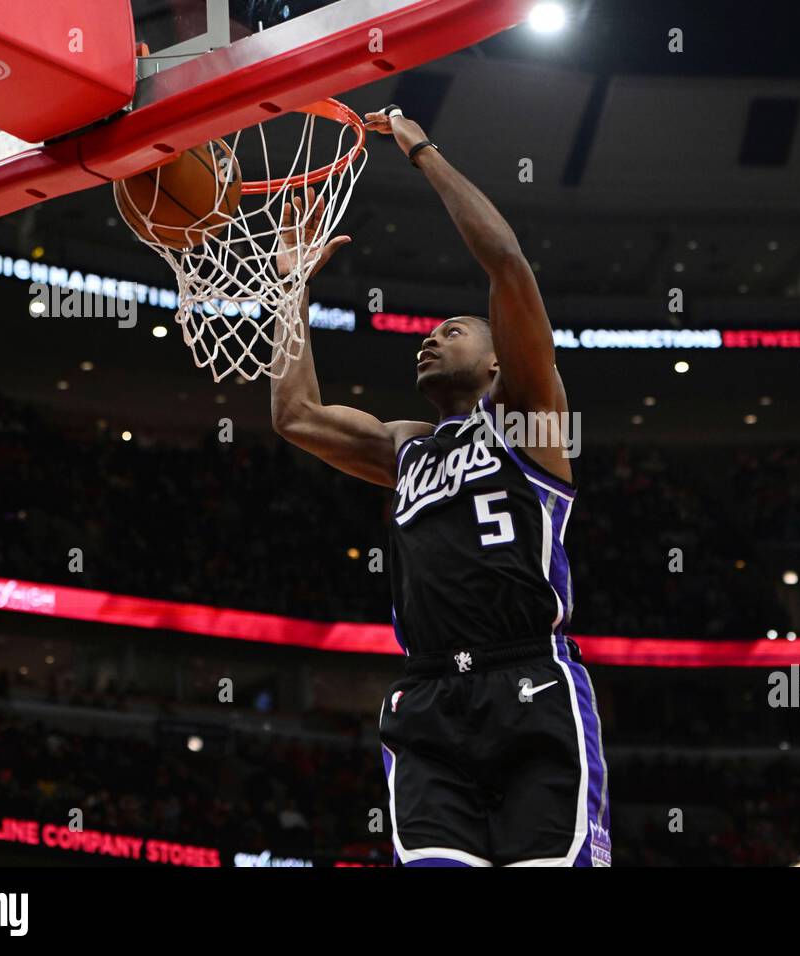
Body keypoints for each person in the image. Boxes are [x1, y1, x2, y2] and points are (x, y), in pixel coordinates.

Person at [270, 105, 609, 867]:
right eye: (429, 333)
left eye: (453, 330)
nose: (429, 336)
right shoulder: (404, 447)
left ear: (497, 363)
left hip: (529, 680)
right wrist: (290, 290)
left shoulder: (527, 419)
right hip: (426, 697)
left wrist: (421, 151)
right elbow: (295, 416)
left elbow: (508, 265)